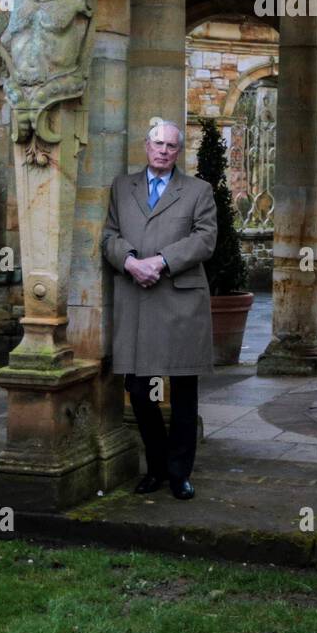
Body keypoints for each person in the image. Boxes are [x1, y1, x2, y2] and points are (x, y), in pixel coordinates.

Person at [101, 119, 217, 500]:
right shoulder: (122, 187)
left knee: (183, 389)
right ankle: (156, 467)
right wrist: (131, 261)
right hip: (136, 298)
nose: (164, 150)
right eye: (158, 143)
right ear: (145, 146)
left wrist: (162, 261)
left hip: (179, 300)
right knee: (139, 389)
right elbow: (108, 235)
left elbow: (205, 239)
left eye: (171, 146)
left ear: (178, 152)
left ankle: (180, 472)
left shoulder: (198, 190)